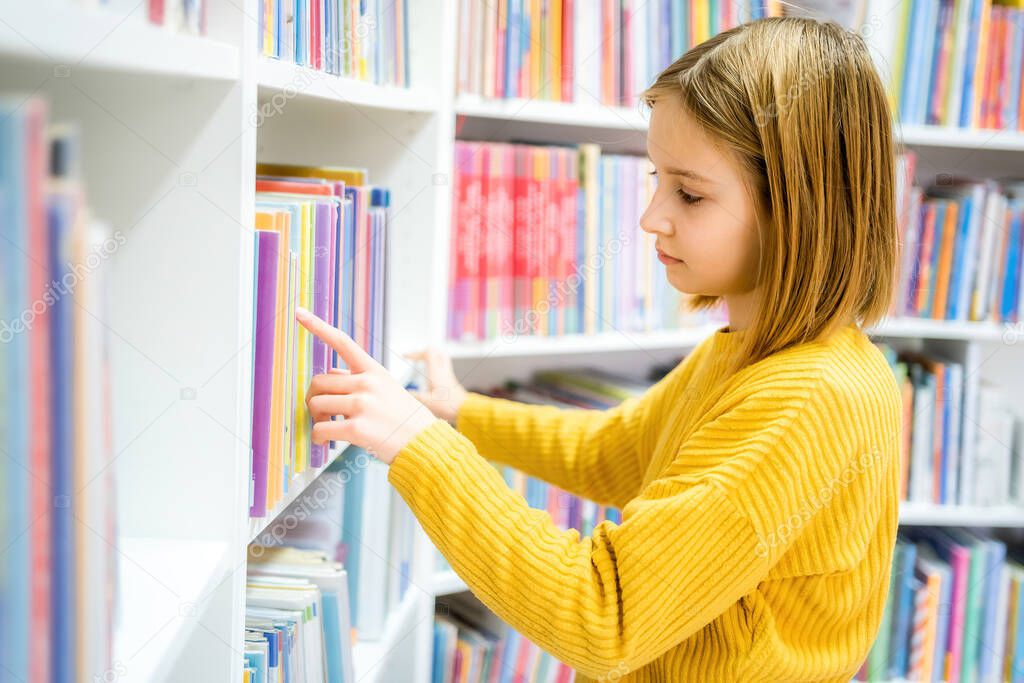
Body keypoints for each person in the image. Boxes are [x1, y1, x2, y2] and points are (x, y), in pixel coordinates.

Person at [296, 16, 901, 682]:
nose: (650, 218)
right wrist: (459, 412)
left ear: (799, 205)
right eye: (656, 179)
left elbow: (604, 615)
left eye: (690, 193)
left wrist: (417, 443)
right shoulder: (751, 353)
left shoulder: (809, 398)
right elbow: (611, 453)